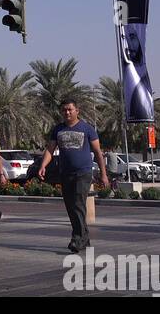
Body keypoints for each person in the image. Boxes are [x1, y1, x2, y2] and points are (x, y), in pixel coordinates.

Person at [38, 99, 109, 253]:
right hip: (65, 173)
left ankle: (77, 238)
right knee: (71, 207)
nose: (67, 112)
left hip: (83, 172)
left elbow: (98, 152)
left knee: (78, 203)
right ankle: (85, 238)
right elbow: (50, 150)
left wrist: (103, 174)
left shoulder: (87, 128)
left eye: (70, 109)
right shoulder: (58, 129)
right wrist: (43, 165)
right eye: (64, 110)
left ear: (77, 110)